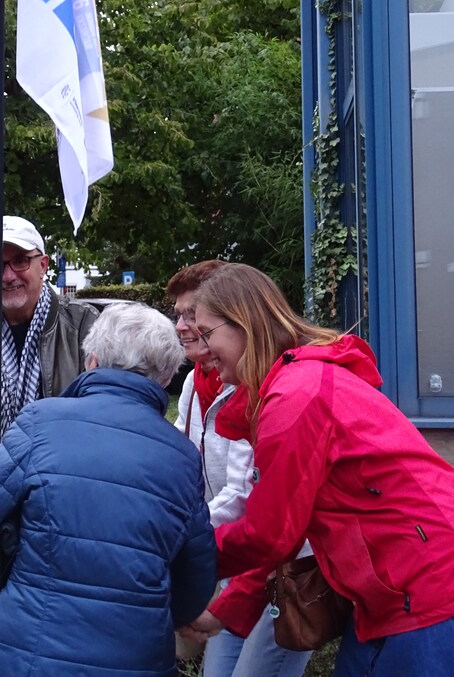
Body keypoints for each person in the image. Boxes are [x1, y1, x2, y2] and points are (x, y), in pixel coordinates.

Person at [181, 262, 454, 677]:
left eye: (206, 333)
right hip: (398, 589)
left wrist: (182, 556)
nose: (201, 349)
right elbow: (283, 531)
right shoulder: (299, 382)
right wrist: (228, 607)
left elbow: (269, 533)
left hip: (424, 588)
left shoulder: (295, 396)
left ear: (244, 323)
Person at [0, 302, 218, 677]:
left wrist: (3, 581)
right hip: (136, 657)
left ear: (92, 360)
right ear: (169, 374)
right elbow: (197, 575)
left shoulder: (41, 422)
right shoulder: (182, 457)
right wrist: (152, 612)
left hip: (21, 653)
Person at [169, 261, 311, 677]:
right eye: (180, 316)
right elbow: (180, 457)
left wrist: (180, 543)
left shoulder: (281, 393)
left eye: (196, 320)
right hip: (246, 555)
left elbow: (258, 512)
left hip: (288, 570)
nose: (182, 328)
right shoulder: (198, 382)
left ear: (238, 319)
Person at [0, 215, 98, 465]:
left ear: (43, 265)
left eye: (20, 261)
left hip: (64, 478)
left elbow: (100, 418)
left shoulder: (83, 326)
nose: (8, 276)